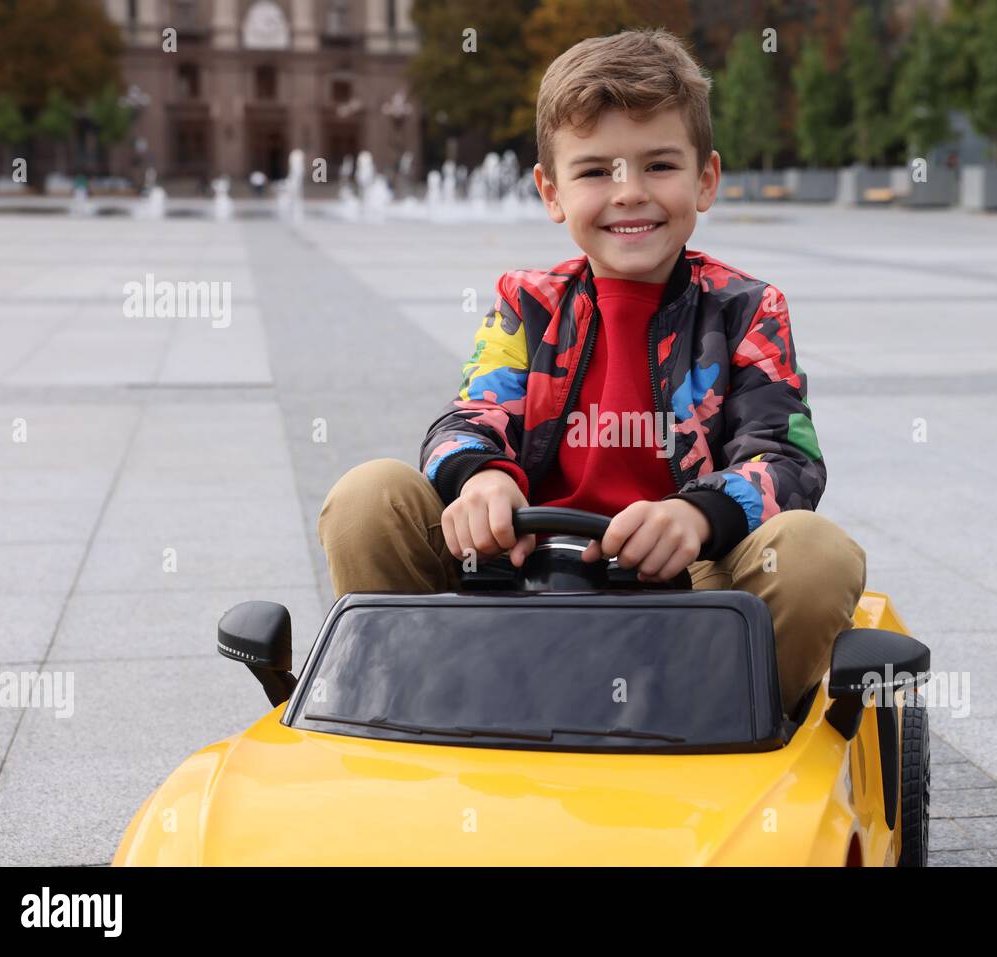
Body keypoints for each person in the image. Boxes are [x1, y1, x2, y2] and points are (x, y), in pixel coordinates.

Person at [318, 28, 866, 716]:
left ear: (705, 181)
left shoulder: (745, 310)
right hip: (524, 577)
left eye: (659, 165)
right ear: (551, 192)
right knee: (370, 494)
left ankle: (725, 724)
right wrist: (481, 476)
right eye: (595, 170)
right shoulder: (530, 304)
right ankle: (402, 703)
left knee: (816, 553)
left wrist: (697, 514)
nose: (629, 191)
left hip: (687, 592)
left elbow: (785, 457)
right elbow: (468, 417)